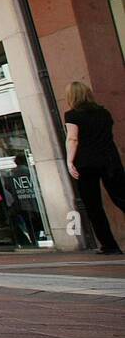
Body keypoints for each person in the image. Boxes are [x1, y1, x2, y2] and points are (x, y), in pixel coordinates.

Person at [64, 81, 125, 254]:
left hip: (86, 163)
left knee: (93, 206)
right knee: (121, 197)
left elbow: (72, 139)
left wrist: (70, 161)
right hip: (110, 160)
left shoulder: (72, 115)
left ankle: (110, 245)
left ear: (71, 97)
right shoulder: (104, 113)